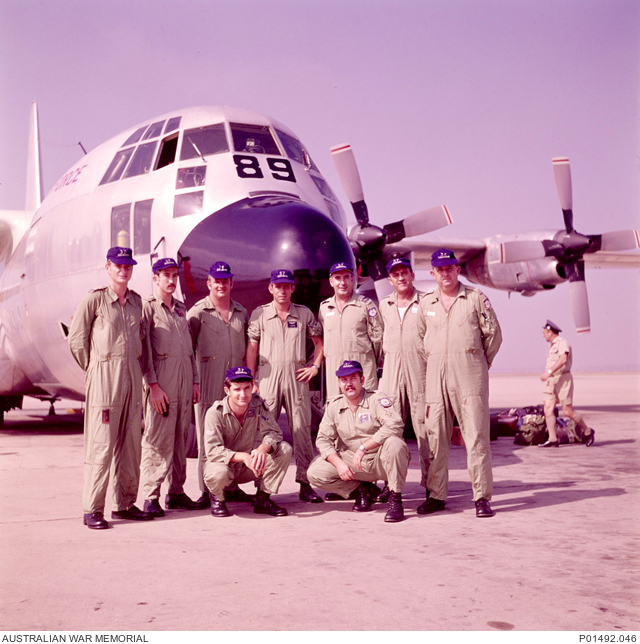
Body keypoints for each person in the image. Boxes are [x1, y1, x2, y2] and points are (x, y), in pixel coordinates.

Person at [69, 247, 153, 529]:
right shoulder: (93, 301)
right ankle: (92, 509)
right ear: (108, 267)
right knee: (101, 446)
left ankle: (126, 504)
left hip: (131, 377)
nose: (123, 270)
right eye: (118, 265)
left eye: (128, 265)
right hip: (105, 380)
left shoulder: (136, 303)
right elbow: (77, 341)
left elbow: (141, 341)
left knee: (131, 444)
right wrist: (95, 370)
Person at [419, 249, 502, 518]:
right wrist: (435, 361)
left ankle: (481, 497)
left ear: (457, 270)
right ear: (433, 273)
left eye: (450, 268)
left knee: (476, 436)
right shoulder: (426, 303)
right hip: (435, 376)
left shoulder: (475, 299)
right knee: (436, 437)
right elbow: (422, 340)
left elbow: (493, 335)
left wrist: (478, 362)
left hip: (469, 376)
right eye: (440, 269)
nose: (445, 273)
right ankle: (436, 495)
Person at [246, 269, 324, 503]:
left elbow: (319, 342)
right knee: (265, 431)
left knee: (301, 429)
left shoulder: (303, 314)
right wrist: (251, 380)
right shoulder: (260, 314)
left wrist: (315, 366)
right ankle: (262, 485)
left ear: (292, 288)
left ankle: (305, 482)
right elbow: (252, 347)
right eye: (277, 286)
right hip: (268, 378)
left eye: (286, 286)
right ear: (271, 288)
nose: (282, 290)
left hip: (296, 378)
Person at [307, 360, 410, 523]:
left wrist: (364, 447)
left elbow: (395, 424)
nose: (349, 384)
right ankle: (363, 490)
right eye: (344, 380)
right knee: (315, 472)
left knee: (395, 444)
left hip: (381, 461)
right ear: (339, 383)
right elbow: (322, 439)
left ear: (362, 380)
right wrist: (339, 463)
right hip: (355, 464)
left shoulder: (376, 399)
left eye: (353, 378)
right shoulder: (334, 406)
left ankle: (395, 499)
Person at [140, 258, 201, 517]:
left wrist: (195, 381)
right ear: (155, 278)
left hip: (184, 382)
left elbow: (189, 351)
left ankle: (176, 492)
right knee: (157, 440)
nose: (171, 280)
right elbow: (144, 353)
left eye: (175, 275)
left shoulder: (179, 309)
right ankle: (150, 495)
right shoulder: (147, 309)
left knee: (179, 440)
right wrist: (153, 386)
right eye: (166, 275)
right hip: (162, 384)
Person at [187, 261, 249, 508]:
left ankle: (230, 487)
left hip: (236, 386)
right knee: (208, 438)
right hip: (209, 381)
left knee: (233, 435)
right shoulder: (198, 313)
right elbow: (188, 351)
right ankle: (208, 490)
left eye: (225, 280)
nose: (221, 284)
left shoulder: (241, 312)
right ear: (209, 283)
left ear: (231, 283)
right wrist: (194, 381)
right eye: (217, 280)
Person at [203, 366, 292, 518]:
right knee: (218, 473)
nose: (243, 394)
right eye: (237, 389)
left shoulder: (258, 405)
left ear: (252, 387)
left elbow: (274, 432)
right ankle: (218, 498)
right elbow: (212, 450)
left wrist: (264, 448)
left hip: (249, 468)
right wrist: (243, 456)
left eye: (247, 388)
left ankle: (263, 498)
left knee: (284, 449)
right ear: (227, 390)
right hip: (225, 466)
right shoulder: (215, 412)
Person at [378, 258, 429, 499]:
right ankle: (391, 485)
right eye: (395, 275)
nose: (400, 278)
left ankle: (432, 484)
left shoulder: (427, 302)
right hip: (391, 371)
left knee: (426, 430)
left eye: (404, 273)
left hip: (419, 370)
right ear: (390, 280)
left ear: (412, 275)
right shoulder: (384, 305)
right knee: (389, 429)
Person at [318, 262, 383, 398]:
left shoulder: (366, 305)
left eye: (346, 277)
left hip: (362, 369)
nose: (342, 282)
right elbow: (323, 339)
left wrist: (369, 361)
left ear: (352, 280)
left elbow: (378, 339)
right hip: (335, 370)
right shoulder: (324, 308)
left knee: (366, 410)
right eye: (338, 278)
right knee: (337, 411)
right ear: (331, 282)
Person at [539, 320, 595, 447]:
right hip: (552, 380)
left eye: (544, 333)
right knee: (548, 408)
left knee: (568, 411)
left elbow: (563, 359)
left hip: (563, 379)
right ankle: (553, 439)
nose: (543, 335)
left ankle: (587, 431)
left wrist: (548, 371)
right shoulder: (552, 345)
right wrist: (549, 375)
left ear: (550, 332)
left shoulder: (562, 343)